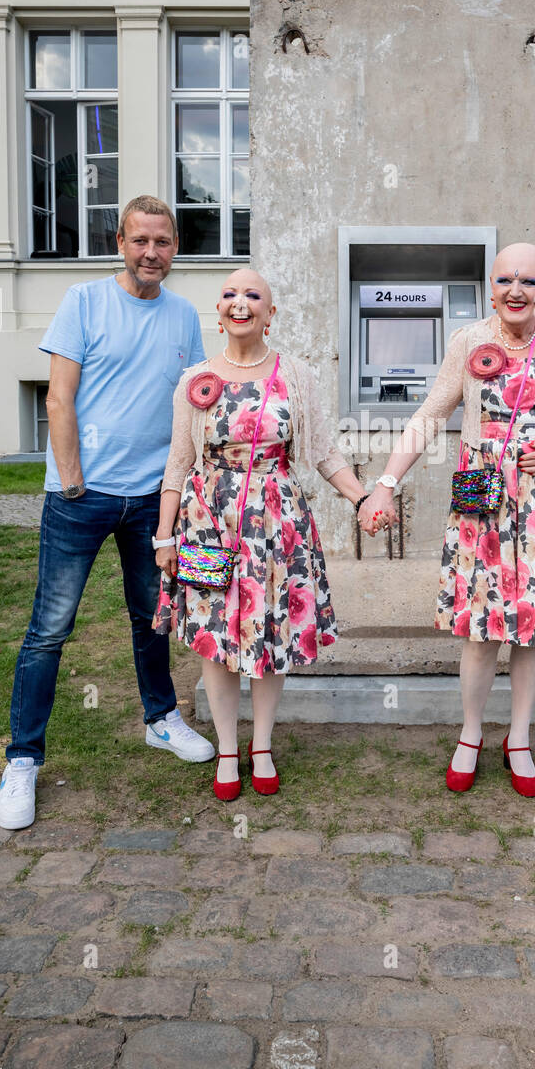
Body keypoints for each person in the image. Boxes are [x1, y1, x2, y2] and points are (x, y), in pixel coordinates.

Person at [0, 196, 215, 831]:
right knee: (49, 628)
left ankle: (161, 719)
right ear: (119, 242)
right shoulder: (83, 302)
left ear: (176, 247)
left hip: (153, 501)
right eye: (141, 240)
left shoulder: (182, 317)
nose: (153, 252)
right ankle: (23, 759)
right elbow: (58, 400)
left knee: (153, 616)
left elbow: (191, 407)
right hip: (81, 497)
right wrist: (71, 484)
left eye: (164, 242)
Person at [359, 242, 535, 796]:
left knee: (531, 629)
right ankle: (470, 733)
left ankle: (518, 736)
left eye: (529, 281)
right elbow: (430, 415)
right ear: (491, 286)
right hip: (485, 507)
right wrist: (385, 484)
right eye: (504, 280)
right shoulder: (468, 341)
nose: (515, 291)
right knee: (480, 630)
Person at [153, 267, 368, 798]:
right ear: (219, 311)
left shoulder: (295, 374)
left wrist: (361, 496)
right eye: (229, 294)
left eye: (253, 295)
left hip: (278, 525)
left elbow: (322, 452)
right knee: (216, 636)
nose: (240, 302)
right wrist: (164, 536)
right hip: (208, 525)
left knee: (273, 632)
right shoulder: (195, 379)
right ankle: (228, 748)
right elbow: (179, 461)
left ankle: (263, 744)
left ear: (271, 314)